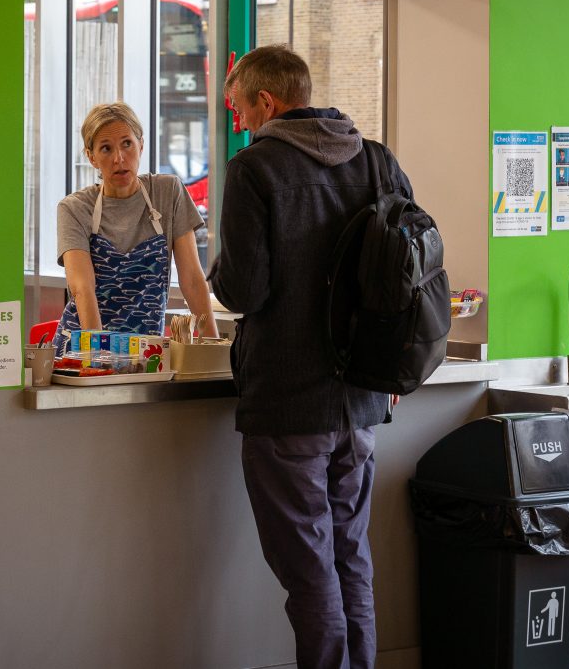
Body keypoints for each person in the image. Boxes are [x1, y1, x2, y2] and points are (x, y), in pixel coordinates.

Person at [210, 45, 412, 669]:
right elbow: (409, 269)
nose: (240, 123)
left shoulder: (255, 170)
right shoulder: (377, 161)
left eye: (242, 110)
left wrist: (219, 272)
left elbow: (245, 289)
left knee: (309, 571)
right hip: (361, 402)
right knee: (349, 556)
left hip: (288, 401)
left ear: (268, 102)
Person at [53, 101, 217, 355]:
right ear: (91, 157)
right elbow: (82, 289)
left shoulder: (168, 192)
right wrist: (100, 358)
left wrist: (212, 349)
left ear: (141, 144)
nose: (119, 158)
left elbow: (193, 281)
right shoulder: (74, 208)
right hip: (83, 351)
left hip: (146, 353)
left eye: (127, 144)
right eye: (106, 149)